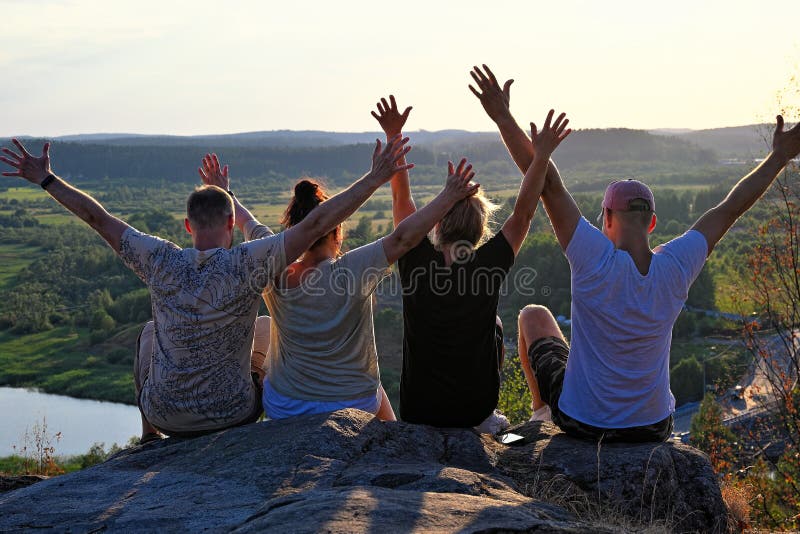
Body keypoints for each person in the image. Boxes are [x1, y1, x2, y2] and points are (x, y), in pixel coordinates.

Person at [0, 135, 412, 442]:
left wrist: (46, 179)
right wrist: (376, 177)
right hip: (233, 415)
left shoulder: (159, 259)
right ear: (230, 227)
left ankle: (148, 437)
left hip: (166, 415)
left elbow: (98, 218)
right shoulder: (248, 263)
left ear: (187, 227)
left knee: (148, 332)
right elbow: (316, 226)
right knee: (269, 328)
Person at [469, 63, 800, 441]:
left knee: (532, 316)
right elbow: (729, 208)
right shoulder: (677, 265)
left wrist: (502, 116)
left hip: (582, 421)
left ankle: (543, 413)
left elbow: (547, 182)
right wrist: (779, 158)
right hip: (652, 426)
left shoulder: (592, 257)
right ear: (653, 223)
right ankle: (549, 412)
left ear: (607, 218)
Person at [205, 141, 481, 421]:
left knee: (264, 330)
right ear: (337, 233)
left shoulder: (270, 261)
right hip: (354, 404)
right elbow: (403, 238)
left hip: (286, 406)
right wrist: (448, 196)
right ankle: (397, 444)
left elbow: (245, 221)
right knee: (373, 382)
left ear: (293, 230)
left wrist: (223, 191)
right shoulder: (352, 269)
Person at [374, 94, 571, 430]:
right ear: (481, 229)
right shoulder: (488, 265)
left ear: (436, 224)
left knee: (492, 324)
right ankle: (531, 421)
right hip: (475, 415)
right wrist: (540, 157)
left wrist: (394, 134)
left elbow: (401, 199)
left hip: (419, 415)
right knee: (494, 327)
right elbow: (523, 214)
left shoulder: (413, 256)